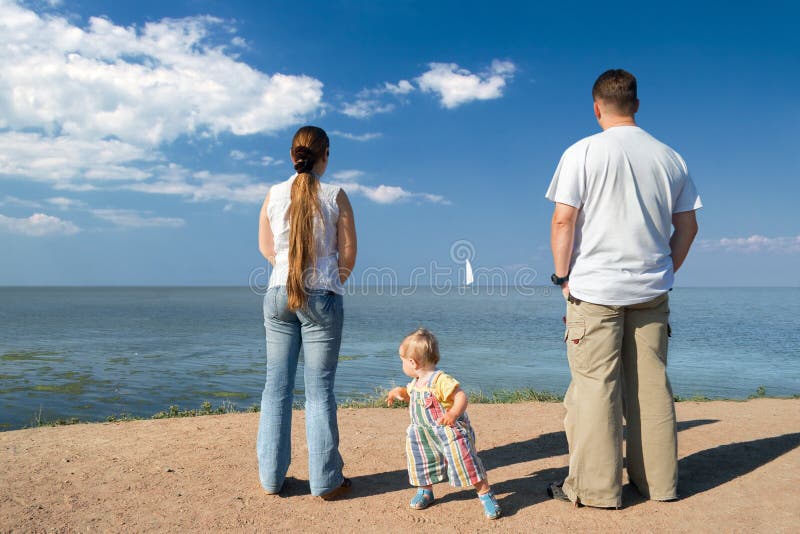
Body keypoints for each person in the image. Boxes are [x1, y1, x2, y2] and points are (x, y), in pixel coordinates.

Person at [545, 69, 701, 509]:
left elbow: (563, 220)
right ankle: (659, 485)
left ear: (597, 107)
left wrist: (562, 277)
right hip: (652, 290)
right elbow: (688, 226)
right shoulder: (671, 157)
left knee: (595, 388)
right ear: (635, 104)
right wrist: (666, 269)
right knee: (651, 388)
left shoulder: (582, 152)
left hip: (594, 290)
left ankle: (595, 490)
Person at [256, 125, 357, 500]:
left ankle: (270, 479)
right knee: (319, 392)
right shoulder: (336, 196)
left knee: (276, 389)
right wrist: (330, 280)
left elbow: (266, 247)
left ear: (292, 155)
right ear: (325, 155)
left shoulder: (273, 194)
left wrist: (288, 269)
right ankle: (326, 482)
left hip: (278, 291)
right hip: (322, 294)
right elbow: (347, 255)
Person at [386, 328, 501, 520]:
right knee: (421, 461)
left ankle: (485, 493)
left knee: (466, 461)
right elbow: (412, 396)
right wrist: (398, 392)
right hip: (423, 434)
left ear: (413, 362)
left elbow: (461, 396)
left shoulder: (440, 380)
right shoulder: (415, 382)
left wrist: (454, 413)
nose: (402, 364)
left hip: (449, 432)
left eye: (402, 360)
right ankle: (425, 491)